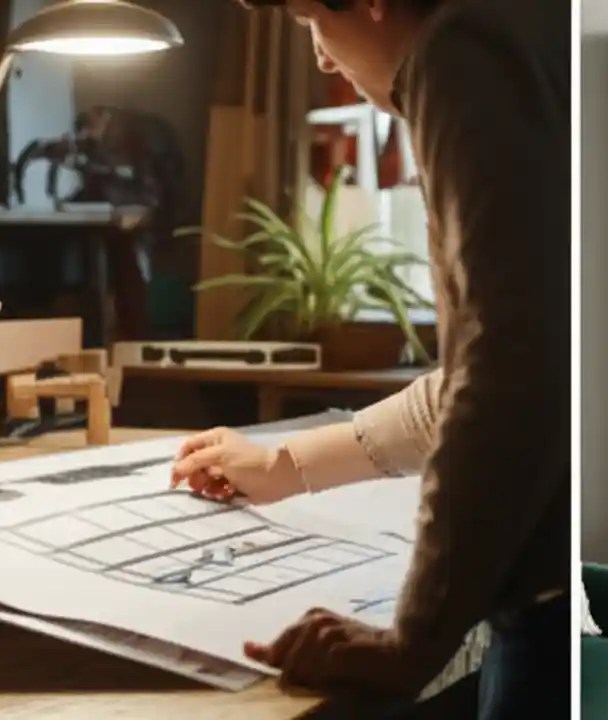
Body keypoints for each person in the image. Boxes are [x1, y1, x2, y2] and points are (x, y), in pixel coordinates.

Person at [170, 0, 570, 716]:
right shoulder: (517, 29)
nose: (321, 58)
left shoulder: (461, 46)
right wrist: (284, 464)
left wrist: (413, 641)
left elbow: (510, 370)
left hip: (550, 610)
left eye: (311, 21)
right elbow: (491, 365)